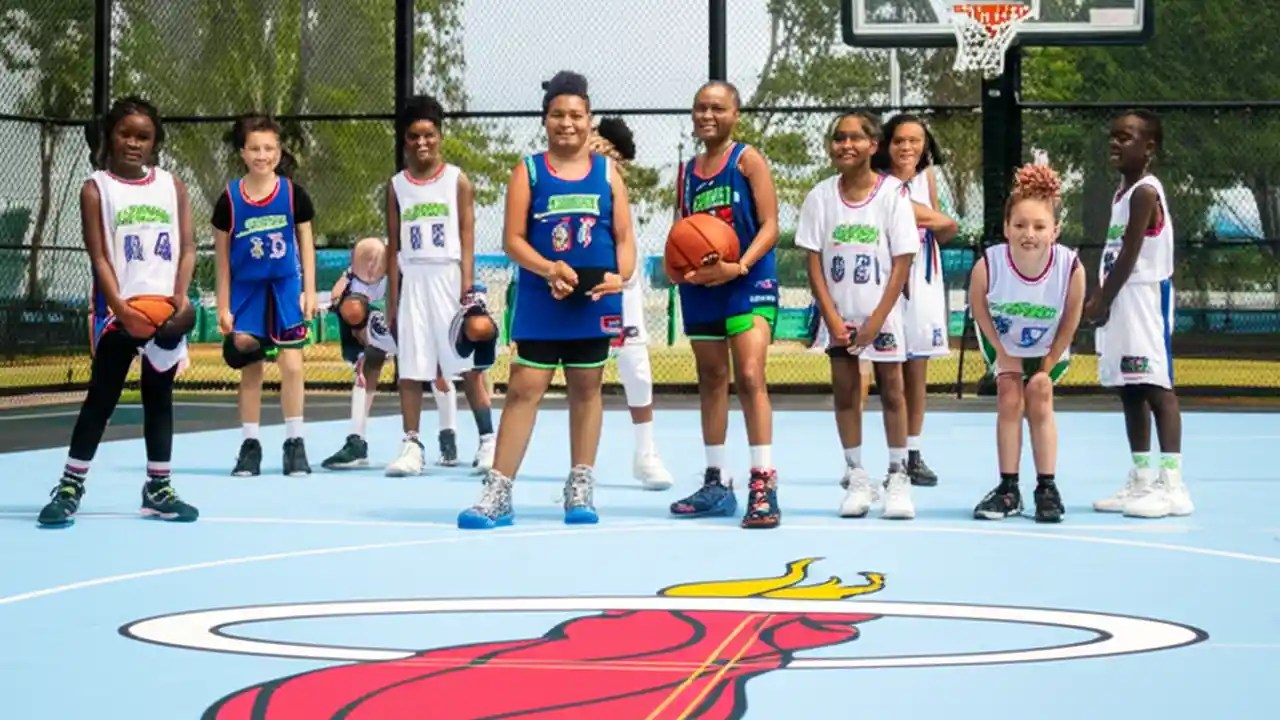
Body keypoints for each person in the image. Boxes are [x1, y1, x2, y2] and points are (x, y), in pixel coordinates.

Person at [457, 71, 632, 529]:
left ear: (589, 120)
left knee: (586, 389)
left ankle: (580, 484)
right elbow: (513, 240)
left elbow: (625, 237)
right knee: (523, 388)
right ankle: (499, 490)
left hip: (592, 298)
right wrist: (549, 268)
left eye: (576, 115)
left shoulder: (608, 172)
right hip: (542, 295)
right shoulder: (529, 170)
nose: (567, 123)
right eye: (558, 115)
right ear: (545, 119)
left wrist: (623, 276)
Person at [38, 96, 199, 527]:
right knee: (101, 400)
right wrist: (120, 309)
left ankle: (158, 487)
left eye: (143, 136)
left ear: (154, 143)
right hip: (119, 309)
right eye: (125, 134)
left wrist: (180, 297)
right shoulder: (96, 188)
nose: (133, 143)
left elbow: (186, 247)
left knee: (158, 397)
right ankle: (70, 485)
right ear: (110, 136)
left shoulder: (172, 186)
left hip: (165, 306)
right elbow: (100, 259)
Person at [668, 81, 782, 529]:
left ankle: (763, 481)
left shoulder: (748, 160)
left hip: (746, 280)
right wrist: (684, 268)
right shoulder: (685, 172)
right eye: (700, 108)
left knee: (750, 375)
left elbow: (771, 225)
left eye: (717, 108)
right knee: (712, 378)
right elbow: (684, 233)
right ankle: (717, 480)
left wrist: (738, 266)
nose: (707, 115)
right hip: (703, 288)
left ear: (735, 113)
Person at [795, 111, 919, 520]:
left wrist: (876, 321)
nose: (845, 144)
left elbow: (901, 263)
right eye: (838, 138)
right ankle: (856, 475)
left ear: (873, 145)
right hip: (839, 313)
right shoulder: (820, 196)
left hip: (881, 315)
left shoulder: (893, 195)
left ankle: (898, 475)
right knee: (846, 394)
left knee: (893, 391)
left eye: (855, 138)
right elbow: (813, 261)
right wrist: (831, 317)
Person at [1086, 110, 1192, 519]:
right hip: (1121, 297)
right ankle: (1142, 478)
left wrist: (1102, 300)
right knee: (1129, 388)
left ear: (1149, 148)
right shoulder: (1121, 192)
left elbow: (1130, 255)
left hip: (1144, 297)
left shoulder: (1146, 191)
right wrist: (1105, 296)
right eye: (1112, 136)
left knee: (1155, 386)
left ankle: (1174, 485)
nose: (1115, 143)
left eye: (1126, 137)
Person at [383, 94, 495, 477]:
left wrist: (466, 288)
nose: (422, 143)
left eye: (429, 134)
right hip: (413, 278)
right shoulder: (397, 186)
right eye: (414, 136)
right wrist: (392, 300)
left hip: (449, 277)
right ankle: (412, 444)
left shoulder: (456, 179)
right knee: (410, 368)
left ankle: (487, 441)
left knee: (466, 366)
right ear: (405, 140)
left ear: (440, 136)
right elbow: (393, 244)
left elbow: (467, 234)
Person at [969, 163, 1085, 523]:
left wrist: (1049, 364)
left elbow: (1071, 318)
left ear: (1055, 230)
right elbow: (979, 309)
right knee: (1009, 396)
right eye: (1019, 225)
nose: (1028, 233)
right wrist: (1002, 355)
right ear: (1006, 228)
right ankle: (1008, 488)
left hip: (1050, 344)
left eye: (1039, 226)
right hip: (1003, 341)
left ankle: (1046, 487)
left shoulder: (1070, 267)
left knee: (1039, 393)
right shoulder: (989, 265)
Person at [214, 113, 318, 477]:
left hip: (285, 288)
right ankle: (250, 445)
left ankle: (295, 443)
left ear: (279, 151)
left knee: (291, 365)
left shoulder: (293, 194)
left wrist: (309, 292)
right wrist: (223, 305)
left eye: (269, 147)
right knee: (251, 368)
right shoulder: (229, 199)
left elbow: (306, 244)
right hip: (247, 291)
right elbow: (223, 261)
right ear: (242, 152)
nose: (262, 154)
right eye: (255, 148)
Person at [870, 114, 959, 487]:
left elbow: (944, 228)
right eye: (900, 140)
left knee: (917, 368)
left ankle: (914, 452)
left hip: (924, 273)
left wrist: (935, 222)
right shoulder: (877, 183)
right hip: (887, 275)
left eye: (915, 141)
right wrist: (931, 219)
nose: (907, 147)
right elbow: (908, 215)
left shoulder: (928, 178)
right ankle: (892, 455)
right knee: (890, 370)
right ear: (887, 144)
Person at [587, 116, 674, 490]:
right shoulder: (554, 171)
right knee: (577, 371)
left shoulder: (612, 180)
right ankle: (580, 463)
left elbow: (624, 237)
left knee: (635, 365)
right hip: (571, 277)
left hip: (618, 279)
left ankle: (646, 452)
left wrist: (622, 276)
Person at [320, 237, 398, 469]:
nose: (371, 266)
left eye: (375, 261)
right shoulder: (350, 282)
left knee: (437, 372)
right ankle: (356, 440)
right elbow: (335, 297)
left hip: (397, 324)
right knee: (365, 368)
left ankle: (448, 433)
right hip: (367, 329)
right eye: (364, 261)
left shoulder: (397, 275)